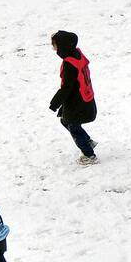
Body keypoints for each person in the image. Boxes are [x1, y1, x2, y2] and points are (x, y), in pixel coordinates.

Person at [48, 30, 98, 164]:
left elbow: (67, 88)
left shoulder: (69, 64)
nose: (54, 49)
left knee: (73, 126)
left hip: (78, 102)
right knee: (66, 121)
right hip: (83, 97)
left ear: (63, 46)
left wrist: (55, 103)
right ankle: (87, 141)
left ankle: (89, 155)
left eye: (55, 46)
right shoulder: (77, 55)